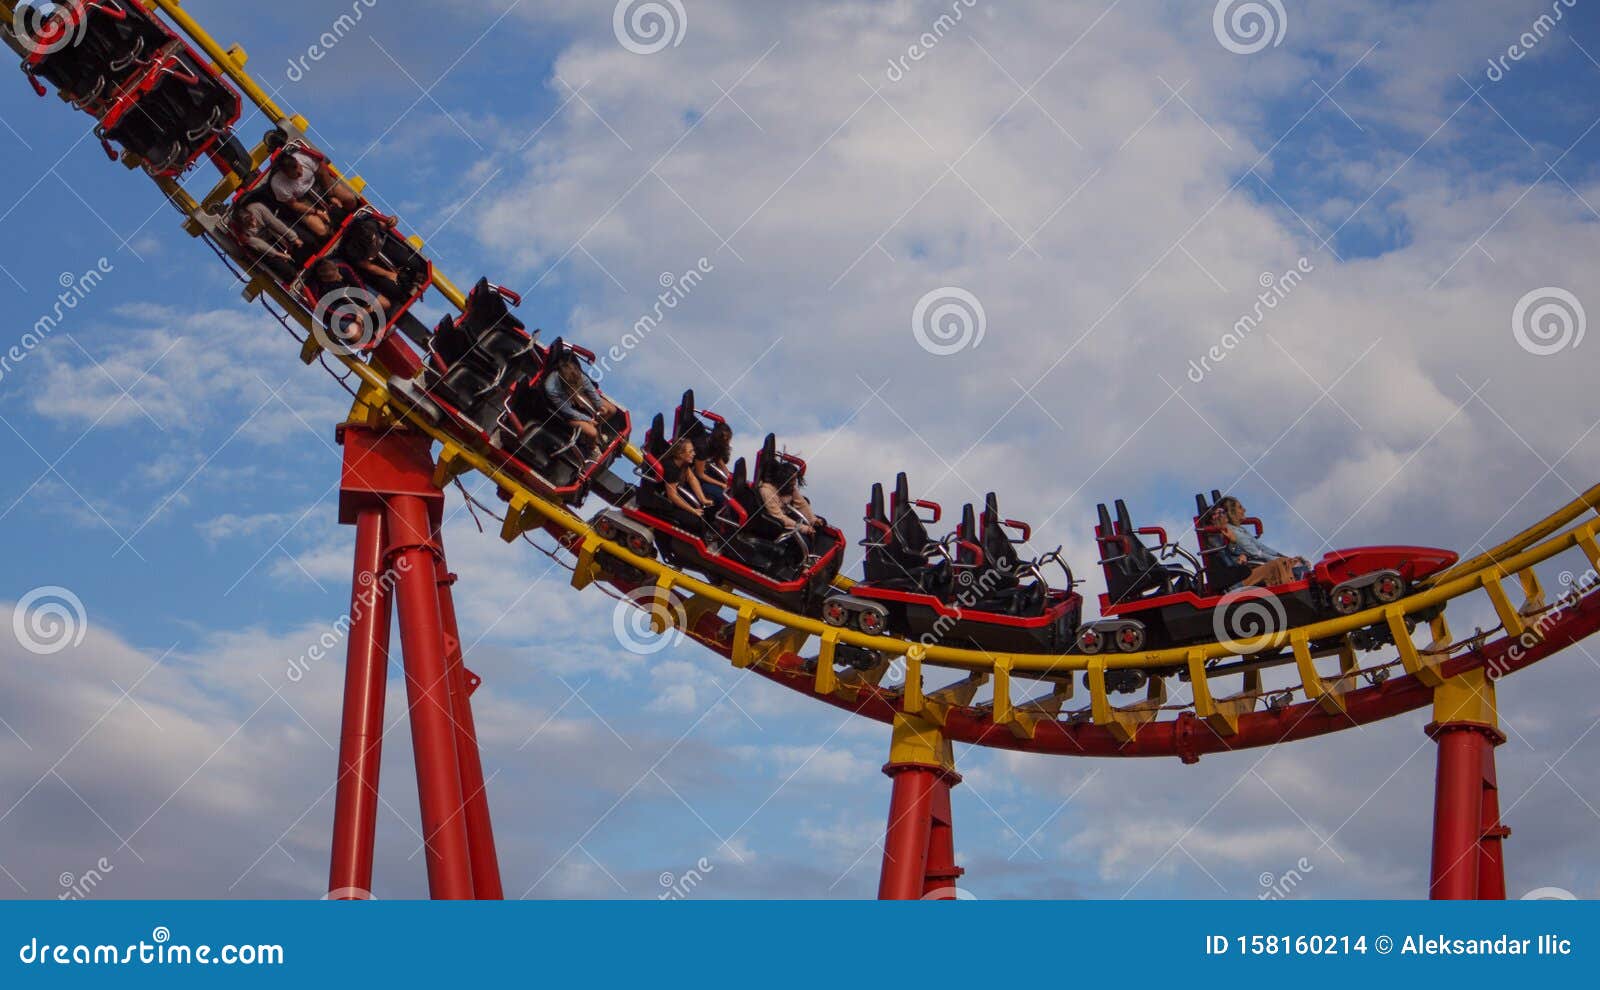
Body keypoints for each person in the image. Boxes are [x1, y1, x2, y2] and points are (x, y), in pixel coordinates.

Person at [1213, 496, 1309, 588]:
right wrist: (1284, 561)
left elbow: (1261, 547)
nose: (1244, 510)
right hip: (1247, 569)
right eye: (1240, 507)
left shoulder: (1240, 529)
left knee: (1296, 562)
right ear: (1231, 512)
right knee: (1285, 564)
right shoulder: (1232, 532)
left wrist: (1284, 557)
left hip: (1249, 565)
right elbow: (1256, 554)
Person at [543, 353, 621, 462]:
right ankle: (592, 448)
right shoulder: (551, 388)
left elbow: (589, 388)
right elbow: (567, 411)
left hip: (576, 396)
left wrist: (599, 405)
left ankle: (596, 432)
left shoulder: (575, 373)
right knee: (592, 432)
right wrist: (587, 419)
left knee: (611, 410)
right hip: (564, 411)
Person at [269, 144, 359, 238]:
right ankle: (337, 235)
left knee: (350, 199)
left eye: (299, 169)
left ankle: (352, 218)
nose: (300, 174)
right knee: (322, 230)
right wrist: (317, 212)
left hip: (319, 182)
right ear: (285, 174)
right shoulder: (277, 183)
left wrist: (331, 195)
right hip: (302, 199)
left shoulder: (303, 157)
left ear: (297, 161)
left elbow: (323, 172)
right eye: (296, 175)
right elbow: (294, 205)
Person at [230, 200, 303, 283]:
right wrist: (280, 255)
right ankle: (294, 277)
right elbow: (260, 245)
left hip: (271, 232)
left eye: (252, 219)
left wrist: (293, 238)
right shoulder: (240, 232)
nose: (253, 224)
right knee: (282, 266)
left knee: (297, 244)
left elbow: (274, 223)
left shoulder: (257, 207)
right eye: (249, 224)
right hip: (259, 247)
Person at [758, 461, 819, 539]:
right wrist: (804, 529)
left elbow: (801, 504)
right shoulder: (766, 492)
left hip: (787, 514)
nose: (794, 483)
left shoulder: (790, 487)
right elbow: (779, 517)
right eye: (792, 480)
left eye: (795, 479)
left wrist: (813, 520)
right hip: (775, 523)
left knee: (819, 525)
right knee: (805, 537)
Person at [661, 438, 708, 530]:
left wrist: (703, 499)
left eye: (693, 450)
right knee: (696, 521)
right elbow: (672, 496)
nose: (694, 454)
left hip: (676, 489)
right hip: (664, 499)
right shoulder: (671, 468)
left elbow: (691, 478)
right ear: (680, 454)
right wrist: (693, 510)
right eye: (690, 452)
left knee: (705, 505)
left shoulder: (683, 462)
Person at [694, 421, 734, 514]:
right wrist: (721, 484)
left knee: (730, 488)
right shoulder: (703, 447)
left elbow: (718, 459)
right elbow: (700, 474)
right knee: (722, 497)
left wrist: (728, 477)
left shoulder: (715, 444)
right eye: (726, 440)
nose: (728, 443)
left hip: (706, 471)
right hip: (696, 477)